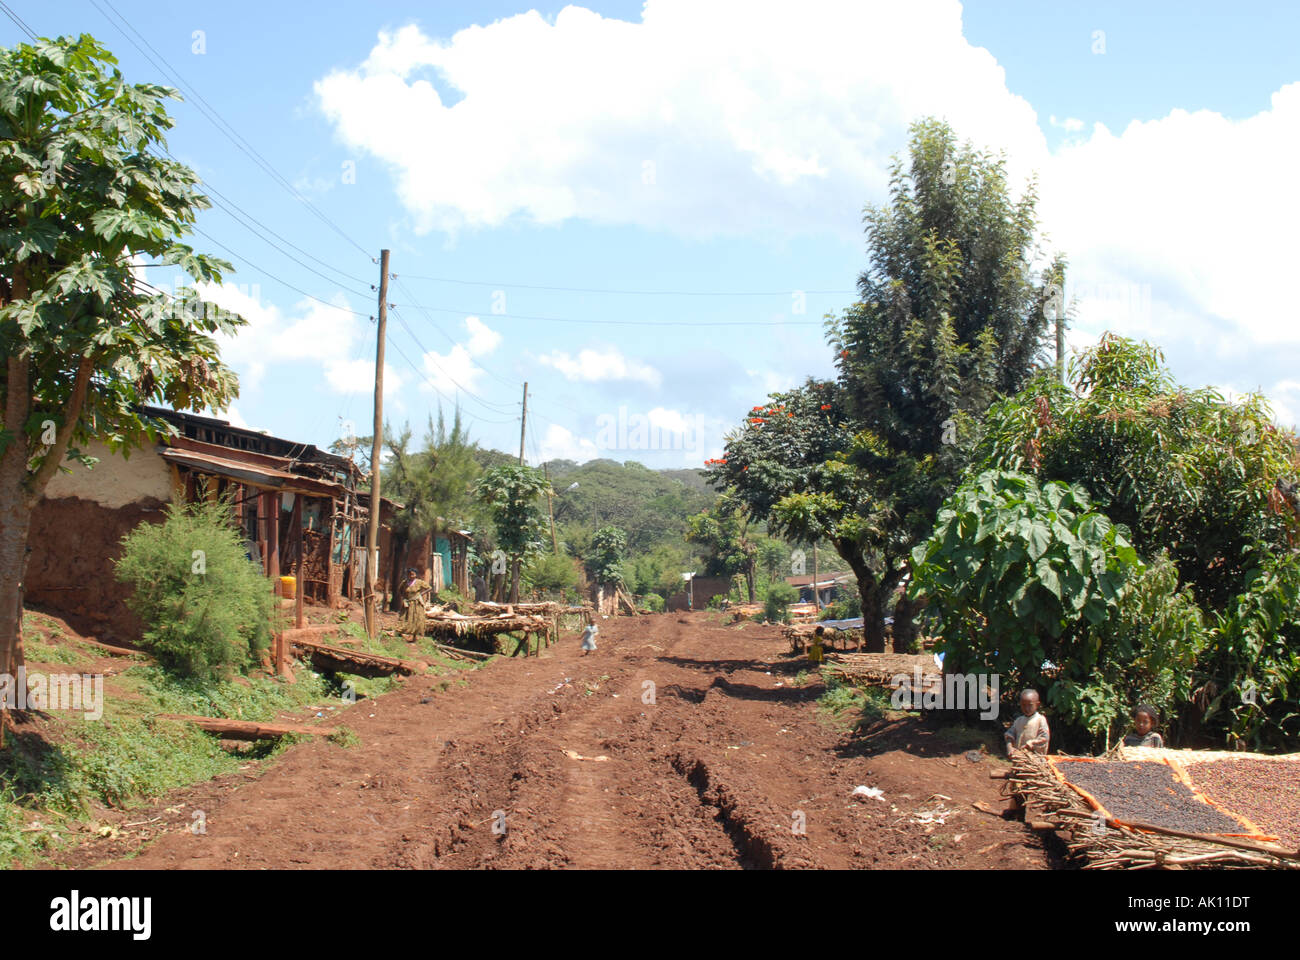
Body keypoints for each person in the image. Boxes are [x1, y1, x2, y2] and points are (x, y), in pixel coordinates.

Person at [1004, 689, 1050, 755]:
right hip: (1019, 758)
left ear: (1037, 704)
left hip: (1035, 759)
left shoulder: (1040, 719)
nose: (1026, 708)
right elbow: (1009, 735)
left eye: (1030, 705)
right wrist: (1009, 747)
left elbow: (1044, 738)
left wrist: (1030, 744)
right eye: (1023, 705)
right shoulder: (1019, 720)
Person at [399, 567, 430, 643]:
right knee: (404, 617)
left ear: (416, 575)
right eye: (409, 574)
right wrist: (404, 597)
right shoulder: (404, 582)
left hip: (416, 603)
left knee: (416, 618)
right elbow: (400, 590)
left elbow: (429, 588)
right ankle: (402, 632)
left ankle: (414, 636)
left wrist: (421, 594)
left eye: (413, 574)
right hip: (408, 603)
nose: (411, 576)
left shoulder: (419, 582)